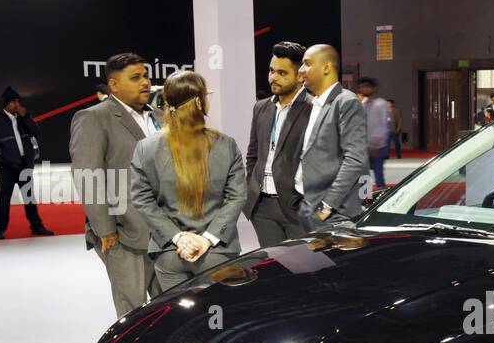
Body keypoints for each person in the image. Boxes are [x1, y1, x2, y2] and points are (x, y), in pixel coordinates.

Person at [129, 70, 246, 293]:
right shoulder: (226, 145)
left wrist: (178, 238)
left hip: (170, 252)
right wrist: (207, 239)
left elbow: (142, 200)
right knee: (219, 311)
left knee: (179, 314)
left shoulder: (146, 148)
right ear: (200, 102)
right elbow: (236, 197)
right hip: (218, 252)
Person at [70, 52, 160, 317]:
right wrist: (105, 229)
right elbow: (88, 175)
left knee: (170, 307)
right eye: (136, 77)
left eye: (146, 75)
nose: (145, 82)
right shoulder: (94, 117)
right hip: (124, 233)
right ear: (114, 85)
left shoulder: (160, 117)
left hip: (166, 233)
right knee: (132, 312)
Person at [293, 44, 368, 230]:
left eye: (307, 64)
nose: (301, 70)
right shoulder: (314, 105)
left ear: (326, 67)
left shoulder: (346, 101)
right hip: (309, 207)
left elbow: (355, 160)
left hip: (332, 214)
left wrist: (326, 207)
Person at [245, 41, 310, 248]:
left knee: (304, 265)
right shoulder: (261, 108)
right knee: (273, 264)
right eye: (271, 70)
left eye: (282, 73)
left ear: (300, 76)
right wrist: (251, 187)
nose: (273, 77)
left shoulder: (314, 108)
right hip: (262, 208)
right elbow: (253, 154)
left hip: (297, 207)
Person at [0, 86, 53, 239]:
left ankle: (36, 226)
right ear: (6, 103)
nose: (17, 104)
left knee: (29, 197)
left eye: (18, 101)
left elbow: (36, 132)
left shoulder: (23, 117)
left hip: (24, 164)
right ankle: (0, 228)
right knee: (4, 198)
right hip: (7, 166)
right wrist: (3, 153)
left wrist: (26, 116)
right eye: (14, 101)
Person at [357, 75, 390, 188]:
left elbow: (383, 125)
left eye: (366, 86)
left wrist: (377, 144)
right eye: (362, 87)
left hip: (378, 147)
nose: (364, 89)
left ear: (374, 88)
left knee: (378, 174)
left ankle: (382, 196)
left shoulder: (380, 104)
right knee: (363, 176)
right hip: (364, 146)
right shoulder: (362, 104)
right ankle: (365, 197)